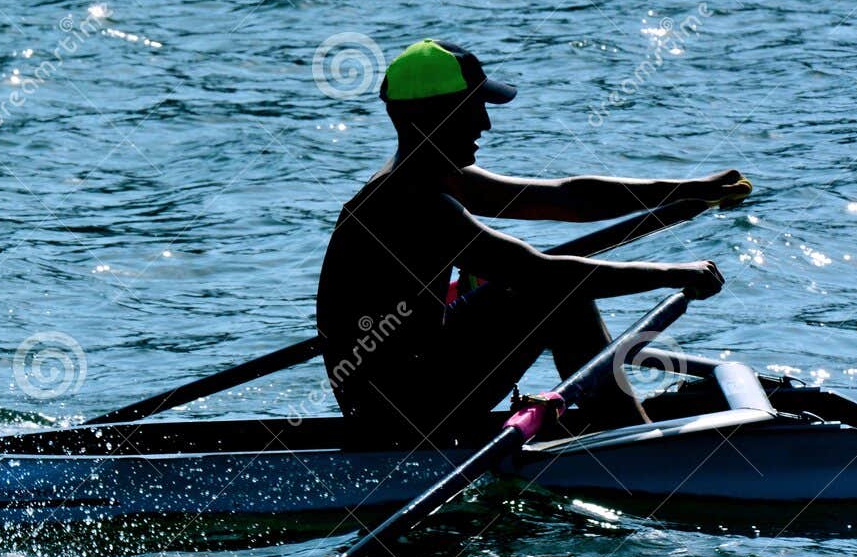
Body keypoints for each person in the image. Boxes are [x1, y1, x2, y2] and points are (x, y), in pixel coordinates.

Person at [315, 38, 746, 441]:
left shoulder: (424, 177)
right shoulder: (414, 202)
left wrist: (691, 188)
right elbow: (537, 272)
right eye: (473, 107)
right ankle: (634, 441)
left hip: (401, 384)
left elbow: (569, 199)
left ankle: (621, 428)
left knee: (555, 288)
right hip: (398, 417)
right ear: (434, 116)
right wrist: (673, 274)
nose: (484, 123)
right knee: (556, 290)